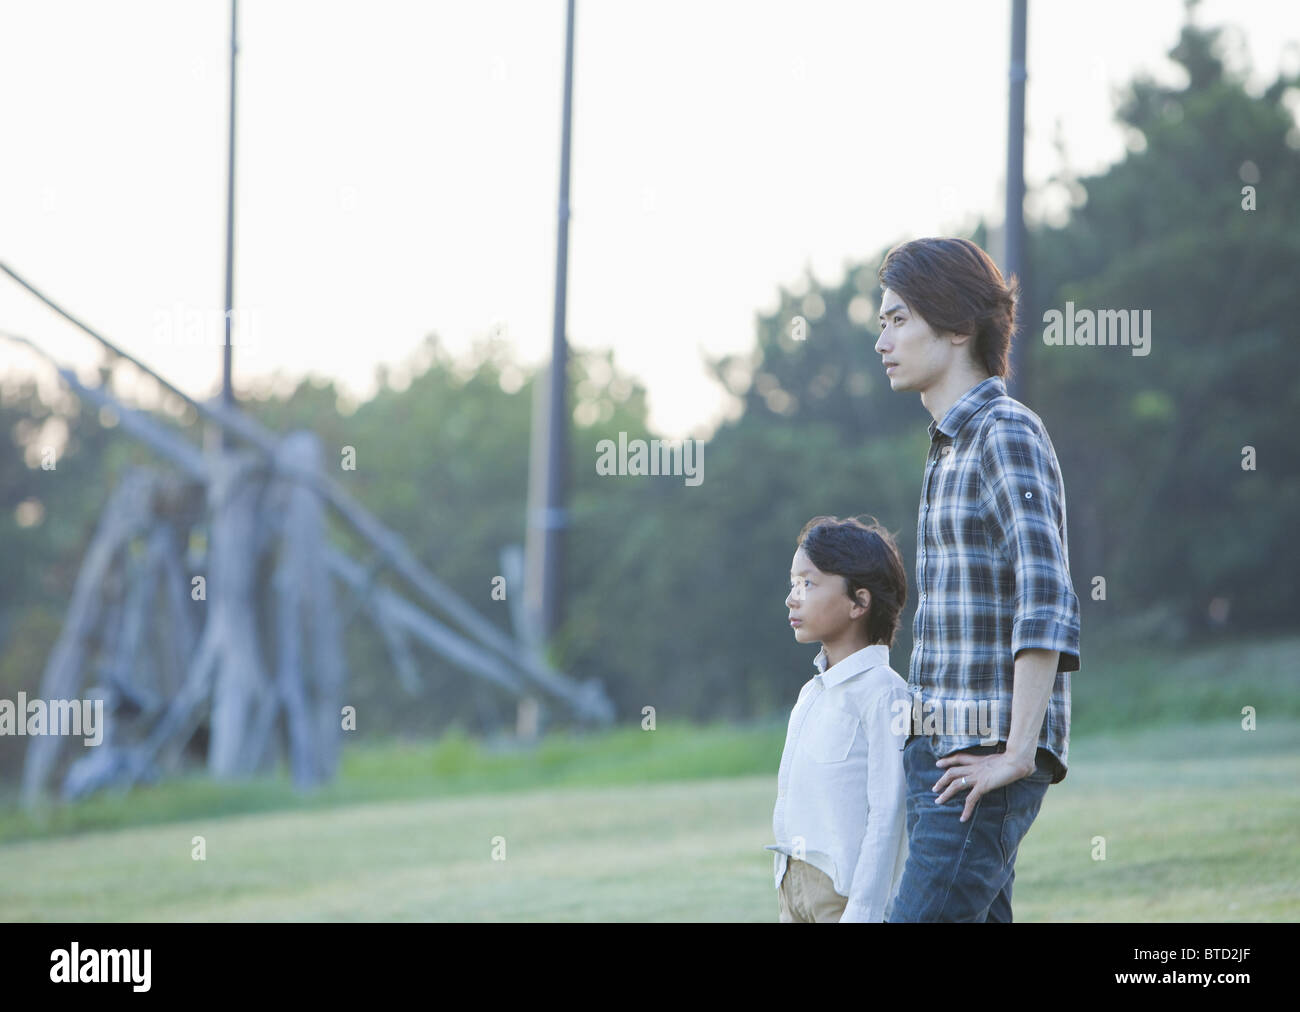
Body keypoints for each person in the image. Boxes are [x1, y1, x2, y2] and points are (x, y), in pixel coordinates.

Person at [873, 236, 1081, 922]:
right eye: (883, 321)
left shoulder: (1004, 432)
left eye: (899, 319)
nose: (883, 339)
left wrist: (1018, 753)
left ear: (959, 325)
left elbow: (1045, 592)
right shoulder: (946, 450)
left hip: (982, 757)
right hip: (938, 754)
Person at [767, 514, 911, 922]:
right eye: (793, 583)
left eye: (807, 584)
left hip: (844, 899)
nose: (792, 598)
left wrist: (863, 912)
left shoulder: (884, 694)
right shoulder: (811, 694)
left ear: (859, 602)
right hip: (793, 886)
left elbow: (888, 816)